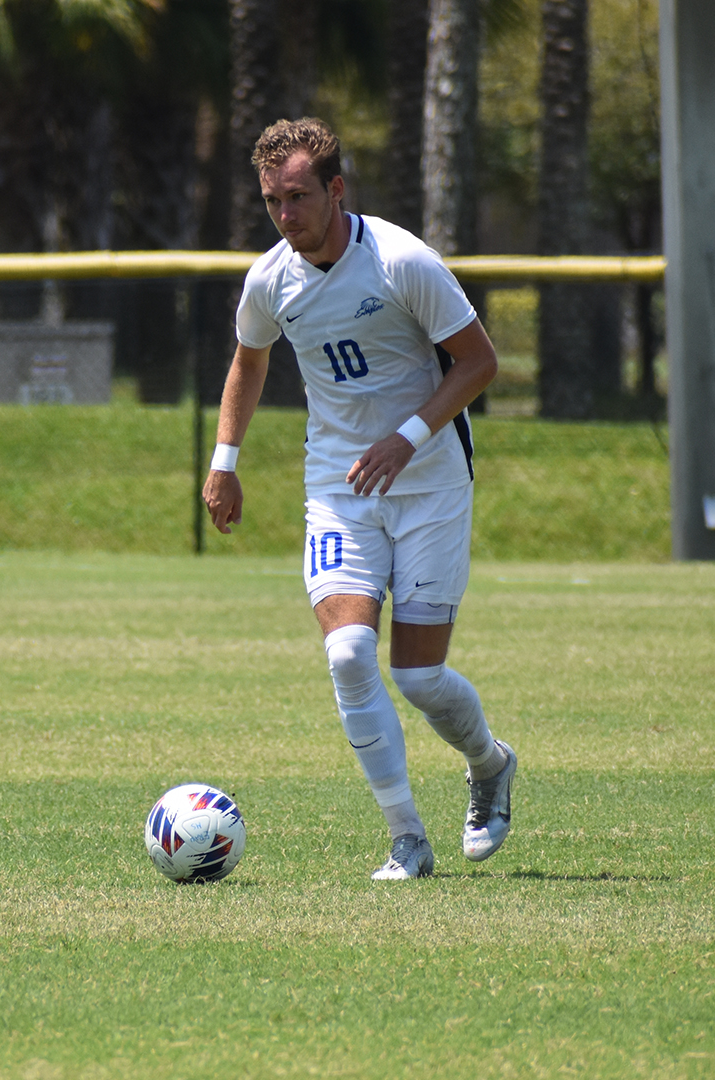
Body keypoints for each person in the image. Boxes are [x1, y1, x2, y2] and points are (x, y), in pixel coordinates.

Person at [204, 117, 515, 878]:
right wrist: (224, 460)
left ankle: (489, 763)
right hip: (337, 489)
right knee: (347, 652)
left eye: (300, 196)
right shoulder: (269, 279)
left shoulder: (403, 261)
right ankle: (407, 838)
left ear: (336, 189)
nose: (286, 215)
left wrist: (406, 437)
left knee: (417, 677)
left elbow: (478, 363)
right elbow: (249, 363)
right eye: (273, 200)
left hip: (431, 482)